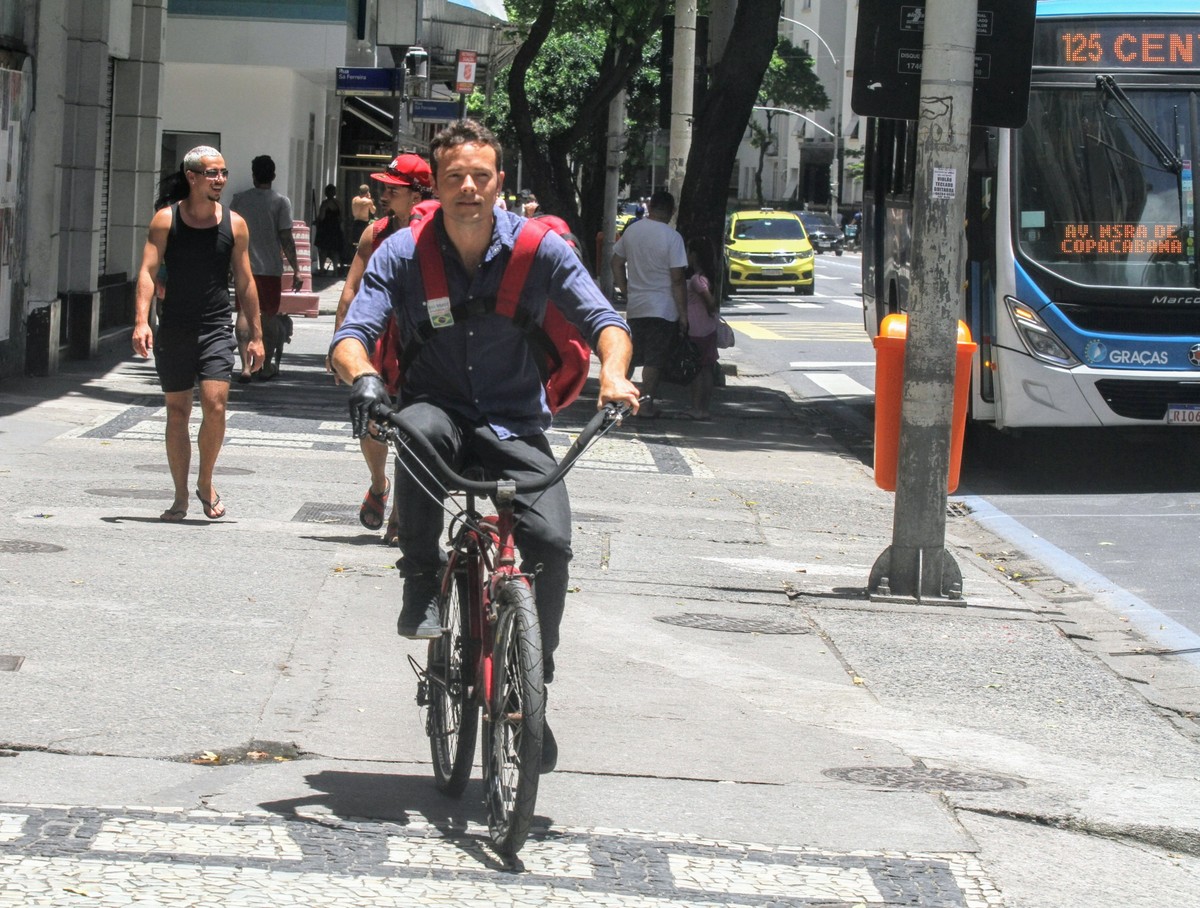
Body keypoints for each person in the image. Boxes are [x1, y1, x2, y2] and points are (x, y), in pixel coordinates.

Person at [330, 120, 640, 770]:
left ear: (499, 182)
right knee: (410, 427)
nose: (468, 187)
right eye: (454, 178)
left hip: (513, 424)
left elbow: (605, 320)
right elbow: (354, 330)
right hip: (435, 411)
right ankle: (420, 581)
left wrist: (612, 373)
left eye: (480, 176)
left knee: (551, 544)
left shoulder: (539, 250)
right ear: (436, 188)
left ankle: (533, 685)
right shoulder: (403, 253)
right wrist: (361, 379)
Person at [131, 145, 263, 522]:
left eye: (223, 172)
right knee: (177, 411)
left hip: (215, 327)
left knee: (215, 405)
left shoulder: (234, 224)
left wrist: (255, 333)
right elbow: (147, 272)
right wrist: (142, 321)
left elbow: (245, 280)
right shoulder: (165, 220)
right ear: (192, 177)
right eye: (212, 173)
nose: (220, 179)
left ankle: (206, 481)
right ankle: (180, 495)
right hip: (174, 326)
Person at [328, 153, 434, 543]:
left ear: (419, 193)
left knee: (412, 427)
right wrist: (341, 343)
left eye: (395, 188)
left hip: (421, 347)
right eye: (384, 186)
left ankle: (403, 514)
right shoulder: (376, 233)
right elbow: (351, 291)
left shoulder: (441, 234)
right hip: (377, 340)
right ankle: (378, 483)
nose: (385, 192)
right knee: (371, 421)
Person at [611, 189, 688, 418]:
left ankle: (618, 400)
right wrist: (683, 314)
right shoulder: (672, 237)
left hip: (636, 305)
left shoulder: (633, 231)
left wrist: (625, 290)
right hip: (663, 308)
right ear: (672, 211)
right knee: (654, 359)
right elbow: (677, 278)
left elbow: (616, 263)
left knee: (631, 356)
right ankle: (645, 404)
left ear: (650, 207)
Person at [230, 155, 302, 382]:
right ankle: (265, 364)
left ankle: (244, 367)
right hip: (270, 268)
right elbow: (285, 237)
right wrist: (297, 268)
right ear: (273, 176)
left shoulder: (239, 200)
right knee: (268, 316)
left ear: (253, 175)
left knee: (243, 312)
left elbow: (229, 233)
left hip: (243, 266)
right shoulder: (281, 202)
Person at [684, 237, 720, 420]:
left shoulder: (696, 280)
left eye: (689, 252)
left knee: (697, 370)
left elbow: (710, 302)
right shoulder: (706, 277)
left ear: (695, 255)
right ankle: (704, 408)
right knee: (706, 369)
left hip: (697, 329)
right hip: (708, 327)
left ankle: (697, 407)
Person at [313, 184, 345, 274]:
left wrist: (316, 221)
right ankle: (335, 270)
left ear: (326, 193)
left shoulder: (324, 204)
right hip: (336, 229)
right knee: (335, 250)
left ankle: (322, 269)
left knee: (323, 250)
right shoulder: (338, 204)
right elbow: (342, 217)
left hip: (325, 229)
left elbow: (322, 217)